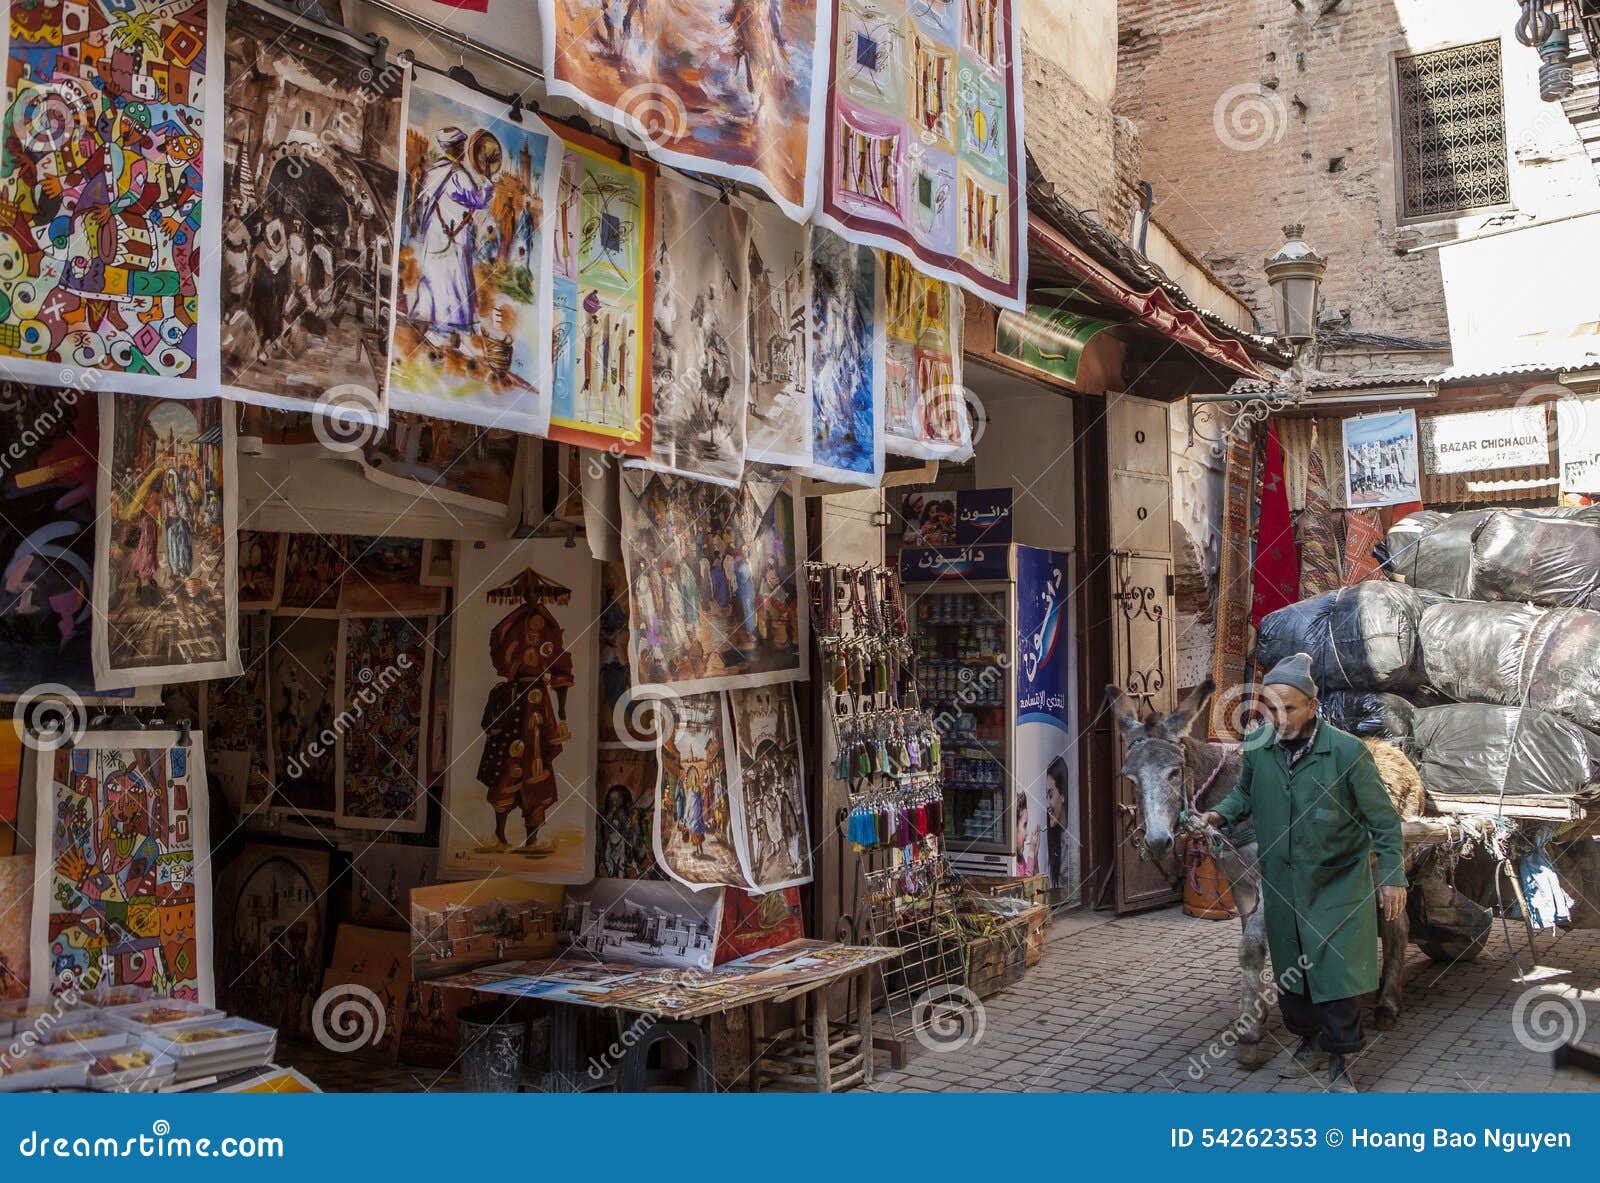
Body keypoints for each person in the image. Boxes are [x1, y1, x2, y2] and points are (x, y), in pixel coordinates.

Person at [1199, 652, 1406, 1093]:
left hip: (1337, 885)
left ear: (1312, 705)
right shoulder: (1260, 749)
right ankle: (1307, 1042)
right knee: (1293, 974)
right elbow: (1243, 797)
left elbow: (1384, 823)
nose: (1280, 718)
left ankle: (1341, 1064)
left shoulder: (1347, 753)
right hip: (1284, 883)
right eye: (1271, 709)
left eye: (1289, 708)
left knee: (1336, 978)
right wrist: (1217, 815)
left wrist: (1392, 876)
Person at [409, 126, 495, 350]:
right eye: (461, 146)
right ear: (456, 147)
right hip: (451, 241)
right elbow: (477, 200)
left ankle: (429, 323)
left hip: (435, 237)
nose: (463, 150)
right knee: (451, 285)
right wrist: (486, 179)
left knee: (433, 280)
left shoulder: (433, 171)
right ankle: (444, 333)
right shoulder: (456, 174)